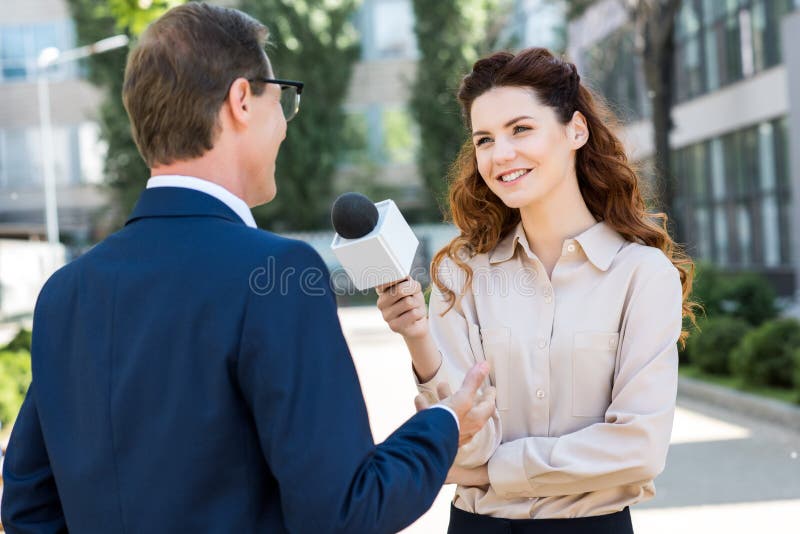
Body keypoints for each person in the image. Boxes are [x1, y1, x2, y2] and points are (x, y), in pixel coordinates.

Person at [0, 4, 497, 533]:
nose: (284, 124)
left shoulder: (66, 292)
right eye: (281, 98)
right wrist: (443, 426)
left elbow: (27, 506)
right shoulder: (276, 275)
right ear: (242, 100)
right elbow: (342, 512)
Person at [376, 47, 698, 533]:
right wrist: (420, 342)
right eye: (484, 139)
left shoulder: (641, 275)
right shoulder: (461, 273)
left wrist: (491, 472)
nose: (500, 154)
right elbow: (465, 444)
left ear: (575, 130)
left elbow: (639, 450)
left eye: (520, 129)